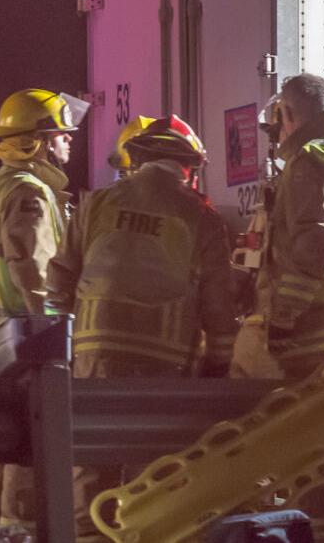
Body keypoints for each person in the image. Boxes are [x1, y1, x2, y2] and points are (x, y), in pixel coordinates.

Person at [43, 115, 238, 541]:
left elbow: (57, 286)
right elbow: (219, 306)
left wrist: (63, 352)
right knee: (153, 475)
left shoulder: (95, 203)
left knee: (91, 468)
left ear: (139, 160)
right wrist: (219, 366)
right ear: (188, 168)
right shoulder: (200, 217)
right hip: (162, 369)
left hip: (91, 361)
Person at [0, 88, 87, 538]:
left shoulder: (2, 183)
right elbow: (32, 267)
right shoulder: (28, 192)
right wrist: (55, 326)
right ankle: (19, 534)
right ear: (39, 141)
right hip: (21, 337)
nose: (69, 142)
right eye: (62, 135)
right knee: (27, 449)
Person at [262, 73, 324, 543]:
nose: (277, 136)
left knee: (323, 445)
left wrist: (283, 317)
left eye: (276, 123)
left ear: (287, 114)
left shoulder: (311, 159)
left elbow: (315, 241)